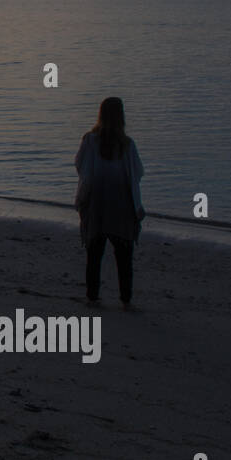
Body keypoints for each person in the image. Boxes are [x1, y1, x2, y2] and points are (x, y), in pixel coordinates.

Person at [74, 97, 145, 307]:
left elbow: (80, 166)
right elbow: (137, 173)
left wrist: (82, 200)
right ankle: (126, 299)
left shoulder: (89, 140)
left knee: (94, 253)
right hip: (121, 205)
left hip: (96, 203)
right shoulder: (127, 144)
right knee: (124, 255)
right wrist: (137, 207)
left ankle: (92, 296)